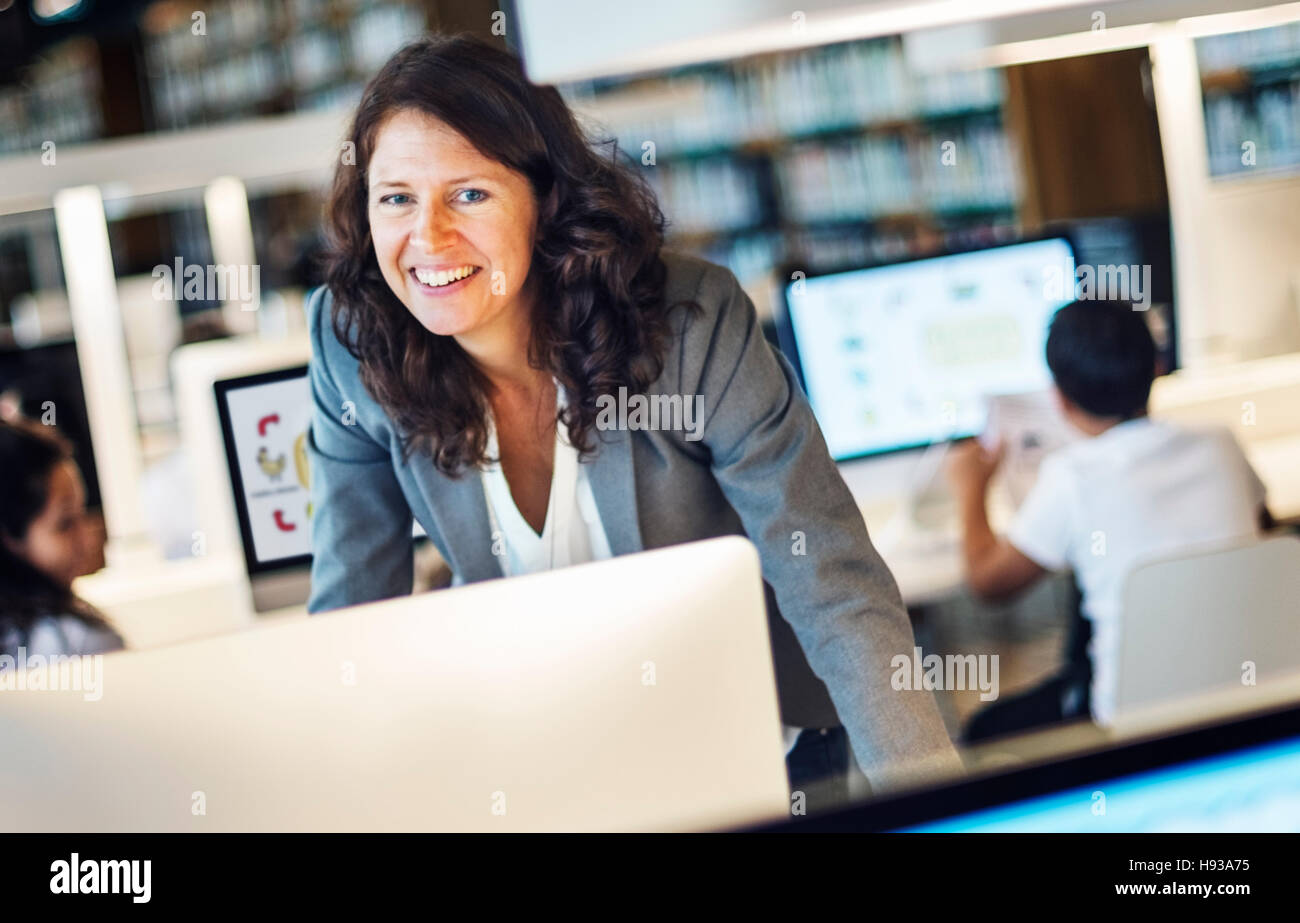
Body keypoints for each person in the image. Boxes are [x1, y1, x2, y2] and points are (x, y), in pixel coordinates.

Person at [304, 33, 961, 795]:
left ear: (545, 200)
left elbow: (834, 584)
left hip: (754, 744)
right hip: (547, 758)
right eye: (397, 199)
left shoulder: (690, 323)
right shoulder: (352, 343)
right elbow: (353, 613)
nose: (429, 237)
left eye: (469, 194)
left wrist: (931, 803)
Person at [947, 299, 1271, 737]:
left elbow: (987, 582)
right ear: (1157, 367)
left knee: (983, 729)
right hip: (1253, 703)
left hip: (1133, 728)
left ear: (1058, 399)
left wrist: (970, 488)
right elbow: (1260, 532)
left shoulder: (1072, 477)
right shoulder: (1221, 445)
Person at [0, 418, 124, 660]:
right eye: (65, 523)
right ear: (9, 538)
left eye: (82, 513)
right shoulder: (78, 643)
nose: (87, 541)